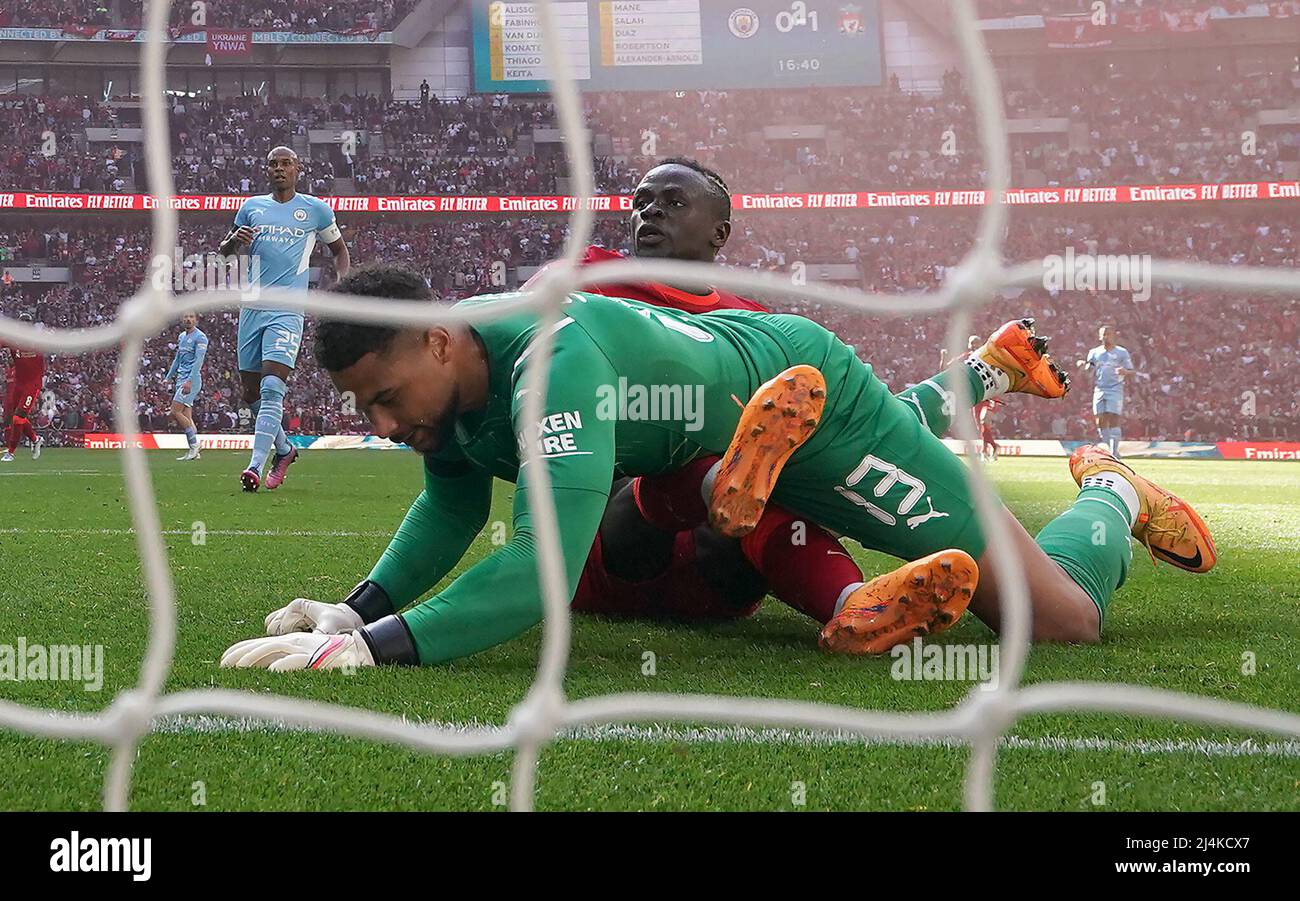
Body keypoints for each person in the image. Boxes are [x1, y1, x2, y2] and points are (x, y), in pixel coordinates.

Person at [220, 264, 1215, 672]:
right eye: (364, 410)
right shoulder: (457, 392)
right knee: (710, 495)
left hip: (812, 406)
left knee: (1059, 622)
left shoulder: (550, 367)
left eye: (384, 398)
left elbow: (541, 573)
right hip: (719, 435)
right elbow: (447, 508)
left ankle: (1113, 488)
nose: (382, 423)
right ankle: (969, 386)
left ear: (438, 345)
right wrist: (357, 607)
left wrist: (374, 650)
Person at [219, 145, 351, 492]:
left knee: (272, 387)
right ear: (267, 171)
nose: (279, 169)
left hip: (288, 310)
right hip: (252, 309)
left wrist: (343, 284)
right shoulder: (251, 208)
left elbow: (338, 250)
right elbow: (223, 253)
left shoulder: (316, 210)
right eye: (273, 164)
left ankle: (254, 468)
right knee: (250, 393)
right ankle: (285, 450)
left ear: (297, 169)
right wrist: (234, 241)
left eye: (286, 164)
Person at [165, 311, 209, 461]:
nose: (188, 319)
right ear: (182, 319)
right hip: (181, 379)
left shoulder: (201, 337)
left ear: (196, 320)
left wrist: (190, 380)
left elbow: (198, 361)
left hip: (191, 380)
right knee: (187, 416)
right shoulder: (182, 337)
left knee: (175, 411)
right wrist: (168, 376)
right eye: (186, 317)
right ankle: (196, 451)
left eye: (191, 317)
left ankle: (194, 445)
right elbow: (178, 358)